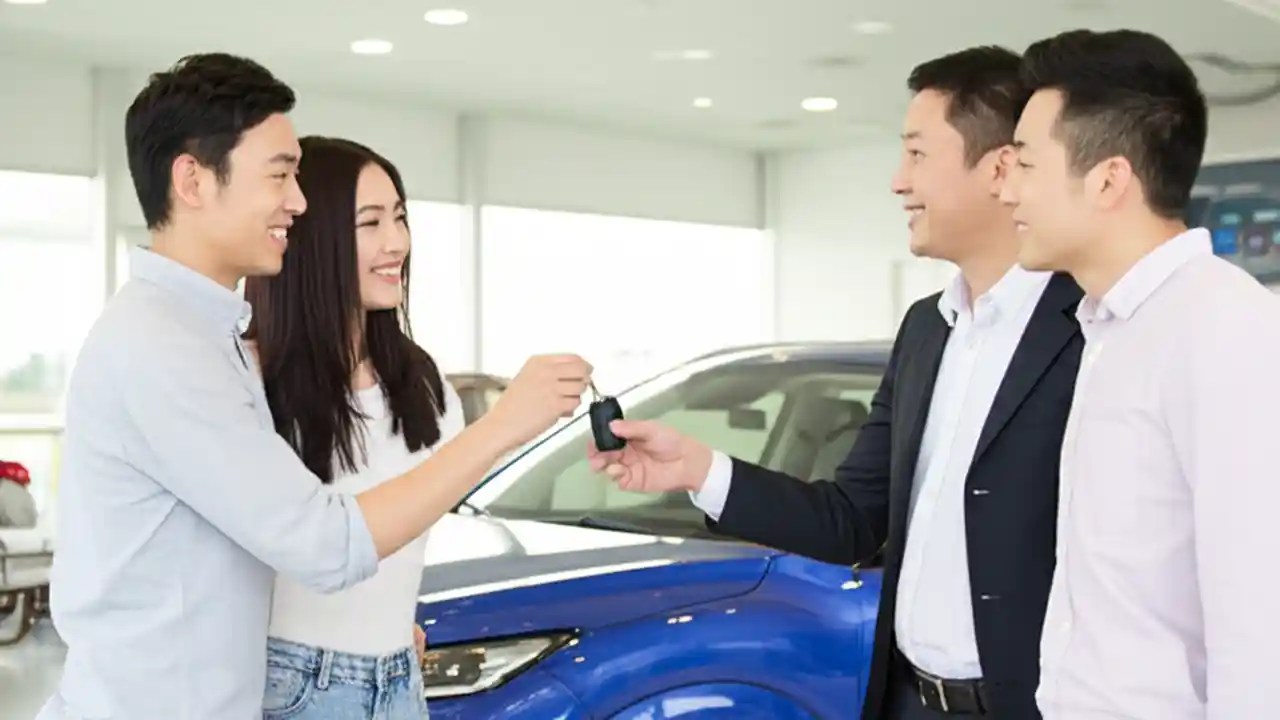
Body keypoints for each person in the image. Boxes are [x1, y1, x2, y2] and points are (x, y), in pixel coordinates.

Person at [39, 53, 591, 720]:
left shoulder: (203, 335)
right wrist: (504, 426)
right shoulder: (163, 349)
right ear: (192, 180)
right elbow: (326, 546)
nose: (296, 203)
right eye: (279, 175)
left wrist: (377, 637)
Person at [591, 47, 1083, 720]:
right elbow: (851, 521)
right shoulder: (926, 330)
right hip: (909, 702)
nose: (897, 182)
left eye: (916, 154)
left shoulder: (1086, 325)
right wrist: (697, 469)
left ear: (999, 168)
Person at [1003, 29, 1280, 720]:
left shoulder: (1223, 327)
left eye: (1027, 164)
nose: (1006, 189)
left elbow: (1260, 621)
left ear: (1108, 180)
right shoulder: (1110, 326)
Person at [240, 136, 450, 719]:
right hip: (289, 685)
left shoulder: (423, 383)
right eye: (371, 223)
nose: (397, 243)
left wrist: (383, 622)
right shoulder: (243, 377)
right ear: (315, 238)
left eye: (401, 218)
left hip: (400, 681)